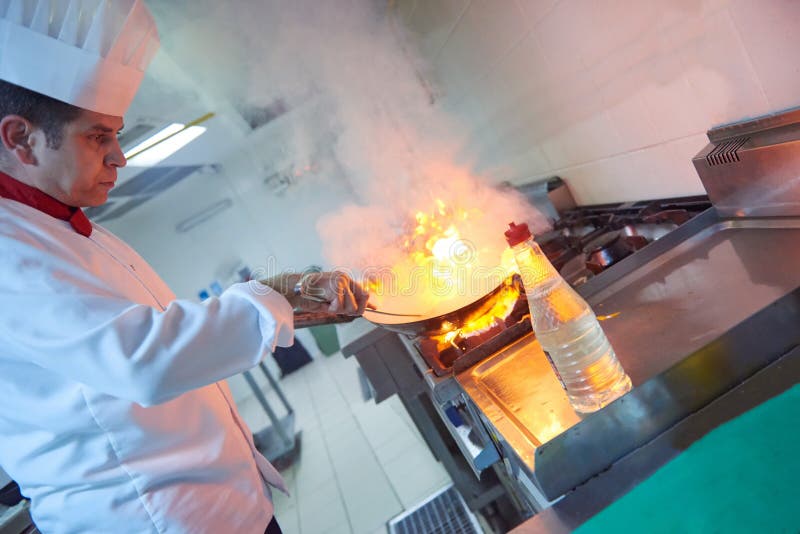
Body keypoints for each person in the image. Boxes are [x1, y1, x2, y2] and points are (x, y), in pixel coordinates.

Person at [0, 1, 368, 532]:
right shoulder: (9, 251)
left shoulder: (71, 227)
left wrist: (284, 303)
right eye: (98, 136)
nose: (120, 157)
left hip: (219, 506)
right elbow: (144, 359)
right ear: (20, 139)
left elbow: (160, 335)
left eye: (116, 135)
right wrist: (278, 296)